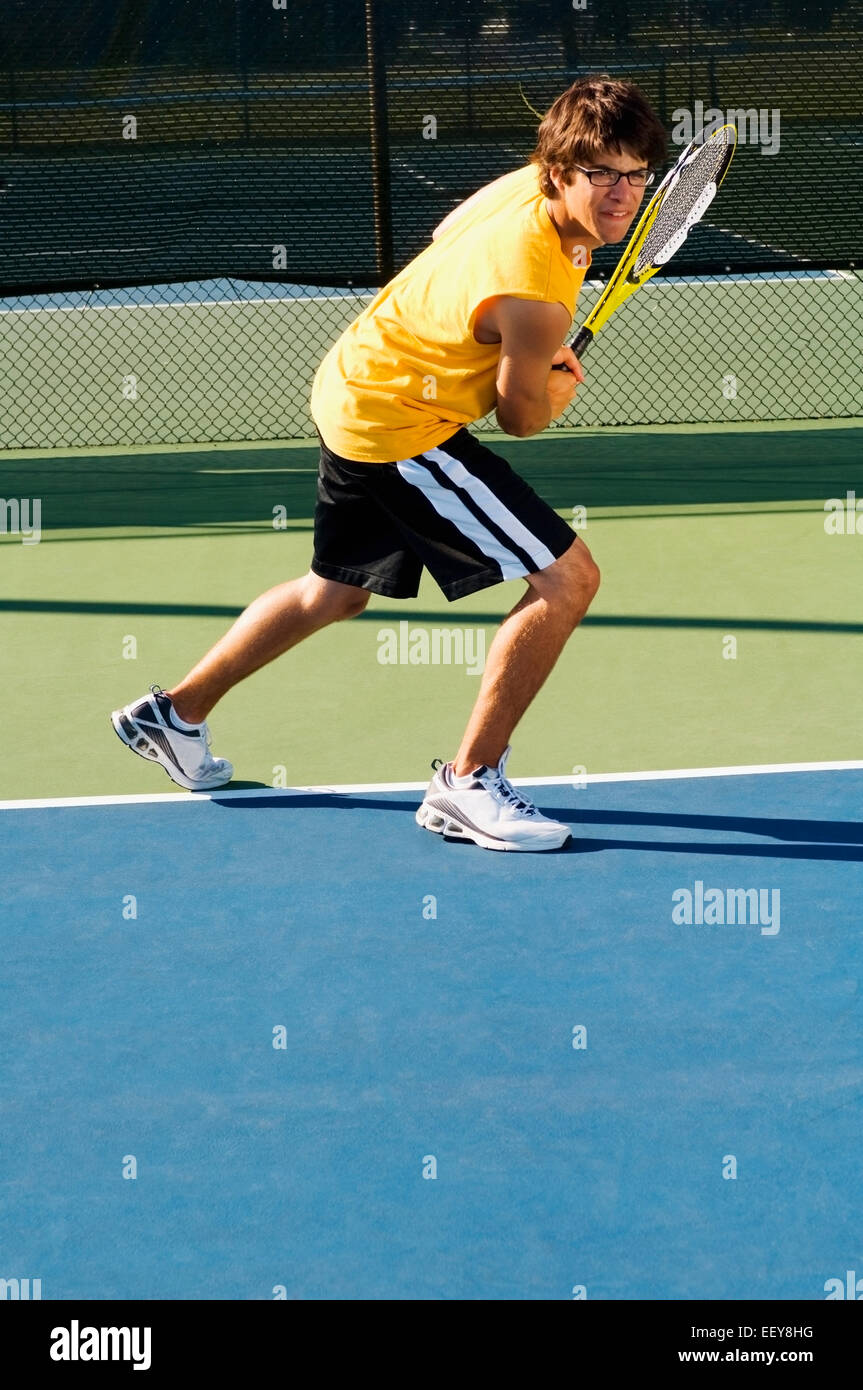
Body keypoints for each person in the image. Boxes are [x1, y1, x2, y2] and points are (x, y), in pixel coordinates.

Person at [111, 75, 666, 852]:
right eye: (601, 174)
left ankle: (173, 714)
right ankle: (467, 783)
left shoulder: (520, 190)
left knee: (334, 592)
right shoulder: (537, 296)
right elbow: (519, 419)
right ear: (558, 173)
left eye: (636, 173)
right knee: (567, 580)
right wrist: (554, 386)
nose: (621, 193)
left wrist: (496, 344)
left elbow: (446, 234)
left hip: (356, 383)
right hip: (401, 425)